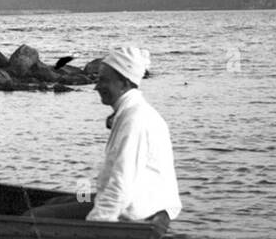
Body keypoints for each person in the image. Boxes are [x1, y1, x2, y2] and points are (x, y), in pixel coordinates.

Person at [30, 44, 181, 227]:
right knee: (53, 202)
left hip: (139, 209)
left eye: (103, 81)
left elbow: (121, 183)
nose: (96, 87)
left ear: (124, 83)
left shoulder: (135, 120)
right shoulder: (131, 112)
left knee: (34, 215)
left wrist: (97, 224)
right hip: (142, 199)